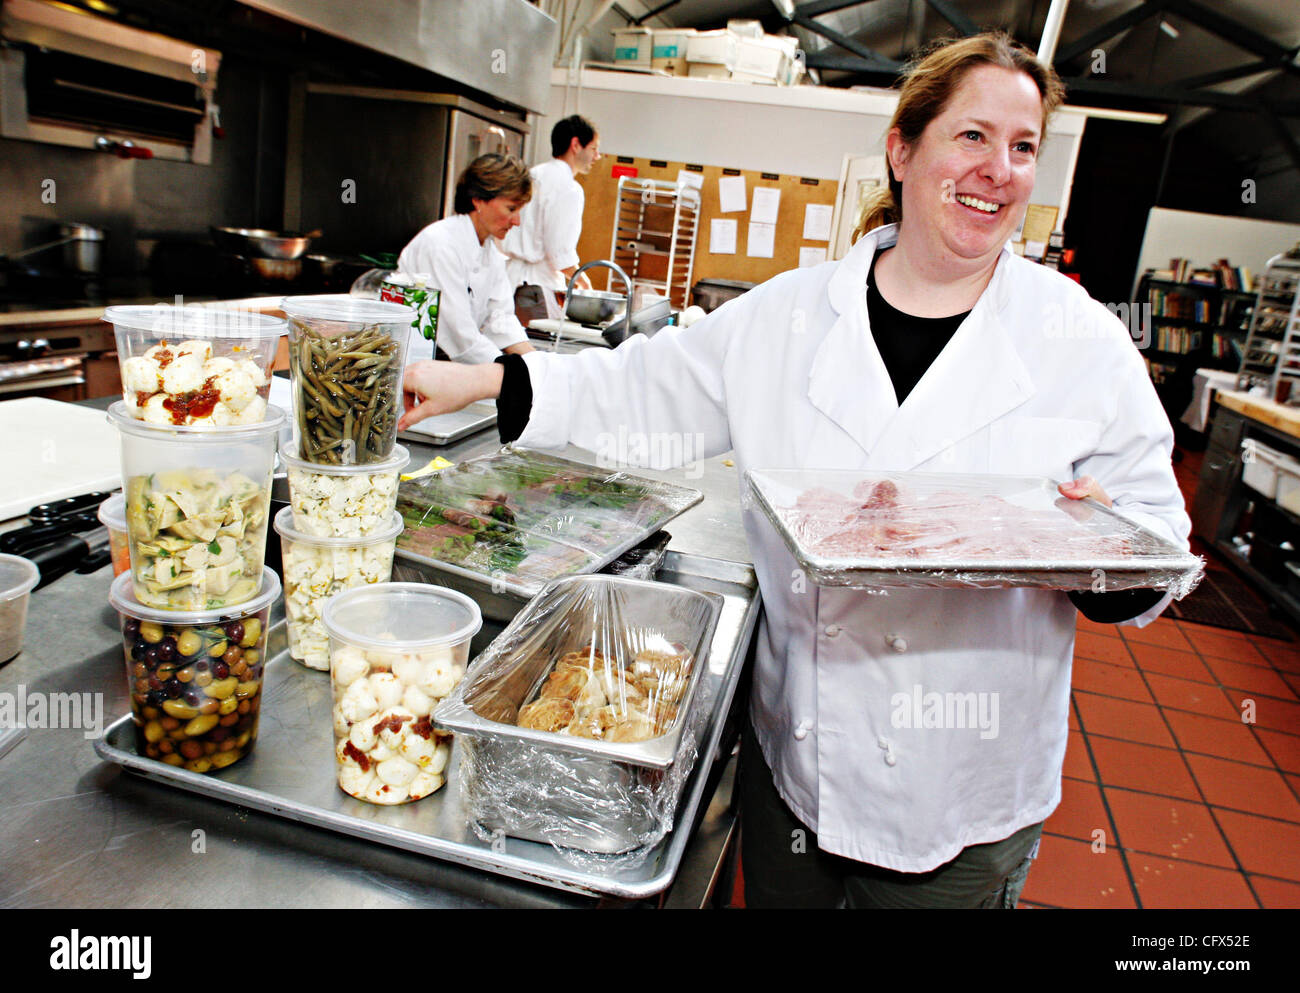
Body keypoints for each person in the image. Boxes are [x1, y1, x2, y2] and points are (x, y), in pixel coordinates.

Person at [398, 33, 1192, 907]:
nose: (998, 168)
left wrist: (1099, 545)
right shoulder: (784, 317)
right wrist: (467, 379)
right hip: (801, 770)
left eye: (1023, 146)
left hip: (962, 791)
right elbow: (633, 390)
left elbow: (1154, 534)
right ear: (903, 147)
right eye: (972, 137)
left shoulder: (1078, 341)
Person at [396, 153, 535, 364]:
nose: (516, 221)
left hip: (448, 363)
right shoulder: (440, 244)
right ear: (479, 200)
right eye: (511, 209)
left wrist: (536, 364)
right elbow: (461, 338)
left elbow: (500, 319)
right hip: (415, 362)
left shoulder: (489, 249)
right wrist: (518, 376)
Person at [501, 115, 601, 321]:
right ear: (575, 145)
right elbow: (560, 255)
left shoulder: (532, 174)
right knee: (533, 350)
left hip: (508, 283)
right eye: (593, 148)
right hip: (535, 291)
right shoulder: (569, 188)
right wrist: (584, 283)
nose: (597, 156)